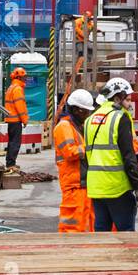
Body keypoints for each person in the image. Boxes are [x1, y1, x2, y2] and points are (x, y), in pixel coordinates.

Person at [85, 77, 138, 232]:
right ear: (117, 98)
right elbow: (128, 156)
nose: (130, 104)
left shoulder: (90, 120)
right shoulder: (120, 117)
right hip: (118, 187)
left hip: (96, 187)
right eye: (127, 99)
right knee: (126, 233)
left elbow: (88, 154)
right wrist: (137, 186)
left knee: (101, 234)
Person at [53, 89, 96, 233]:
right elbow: (70, 152)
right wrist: (92, 148)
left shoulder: (79, 126)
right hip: (73, 185)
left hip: (83, 183)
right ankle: (68, 250)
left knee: (87, 223)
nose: (88, 115)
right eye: (85, 111)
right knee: (72, 225)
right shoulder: (63, 127)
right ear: (76, 110)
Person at [3, 66, 29, 170]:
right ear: (19, 77)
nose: (25, 79)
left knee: (12, 142)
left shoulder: (11, 87)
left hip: (11, 120)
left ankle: (10, 163)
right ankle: (11, 164)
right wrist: (25, 120)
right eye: (24, 77)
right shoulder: (17, 89)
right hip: (15, 120)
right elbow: (20, 107)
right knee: (15, 143)